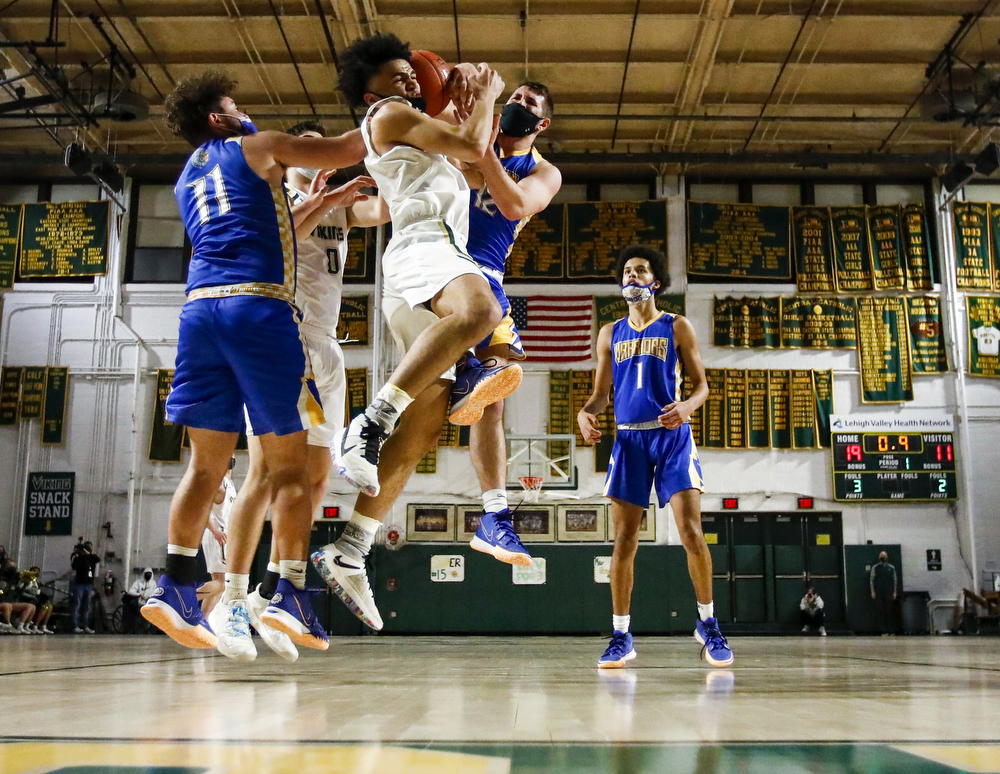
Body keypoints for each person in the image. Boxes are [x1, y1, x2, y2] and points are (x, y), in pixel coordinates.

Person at [140, 69, 367, 653]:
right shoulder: (258, 146)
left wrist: (326, 203)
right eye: (235, 106)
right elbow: (351, 146)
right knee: (290, 472)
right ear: (219, 118)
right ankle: (288, 592)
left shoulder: (187, 176)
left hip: (199, 313)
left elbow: (275, 228)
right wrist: (398, 113)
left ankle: (175, 583)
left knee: (205, 467)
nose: (246, 112)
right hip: (259, 310)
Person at [312, 36, 528, 628]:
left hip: (422, 261)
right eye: (397, 75)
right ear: (371, 93)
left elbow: (476, 159)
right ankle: (369, 422)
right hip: (425, 250)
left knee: (428, 420)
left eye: (412, 74)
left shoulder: (418, 131)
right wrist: (489, 95)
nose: (409, 80)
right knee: (482, 312)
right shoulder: (387, 115)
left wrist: (466, 104)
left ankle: (350, 547)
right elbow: (472, 145)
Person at [209, 120, 386, 662]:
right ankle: (230, 599)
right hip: (280, 338)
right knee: (264, 475)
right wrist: (317, 198)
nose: (315, 155)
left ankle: (270, 594)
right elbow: (273, 240)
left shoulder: (340, 207)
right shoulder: (270, 198)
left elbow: (385, 209)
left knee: (314, 480)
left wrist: (419, 160)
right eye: (304, 147)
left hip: (326, 345)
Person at [577, 245, 733, 669]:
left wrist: (686, 407)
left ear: (655, 282)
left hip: (672, 437)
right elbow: (600, 395)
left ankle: (708, 624)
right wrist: (585, 414)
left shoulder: (677, 326)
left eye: (640, 270)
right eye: (627, 270)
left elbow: (702, 386)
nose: (631, 275)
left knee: (691, 532)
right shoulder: (609, 333)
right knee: (624, 540)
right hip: (629, 440)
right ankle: (621, 635)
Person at [199, 458, 237, 616]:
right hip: (218, 534)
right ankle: (181, 599)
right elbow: (201, 509)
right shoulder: (218, 484)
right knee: (222, 584)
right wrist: (215, 531)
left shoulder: (228, 482)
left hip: (220, 534)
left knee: (218, 584)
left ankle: (203, 620)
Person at [70, 541, 99, 633]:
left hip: (88, 584)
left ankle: (85, 625)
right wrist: (79, 554)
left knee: (86, 606)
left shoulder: (91, 558)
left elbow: (97, 559)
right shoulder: (78, 558)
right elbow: (74, 566)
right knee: (77, 605)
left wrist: (88, 554)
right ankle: (75, 625)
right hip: (79, 584)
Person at [870, 550, 898, 635]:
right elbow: (872, 580)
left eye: (884, 556)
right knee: (881, 611)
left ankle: (891, 630)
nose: (883, 558)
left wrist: (895, 592)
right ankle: (883, 631)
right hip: (879, 591)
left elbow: (895, 581)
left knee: (889, 610)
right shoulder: (875, 567)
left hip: (889, 591)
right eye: (882, 556)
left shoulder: (891, 568)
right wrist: (873, 592)